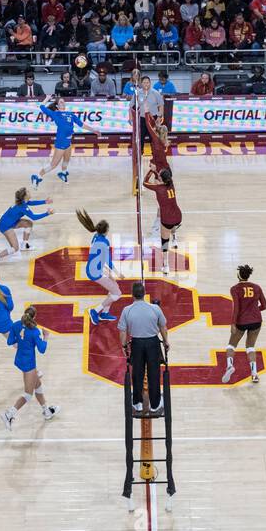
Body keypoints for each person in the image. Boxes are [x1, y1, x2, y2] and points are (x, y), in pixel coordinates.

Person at [0, 306, 59, 428]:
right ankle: (8, 414)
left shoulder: (16, 325)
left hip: (20, 360)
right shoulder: (35, 331)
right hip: (29, 364)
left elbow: (10, 341)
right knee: (28, 394)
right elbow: (42, 349)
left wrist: (21, 339)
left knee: (38, 386)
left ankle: (46, 411)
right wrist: (46, 336)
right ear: (34, 317)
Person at [117, 280, 170, 414]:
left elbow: (122, 331)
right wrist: (166, 341)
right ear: (145, 294)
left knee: (137, 374)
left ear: (132, 295)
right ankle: (155, 405)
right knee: (154, 374)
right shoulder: (155, 308)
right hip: (152, 343)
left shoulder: (126, 310)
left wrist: (123, 346)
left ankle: (138, 403)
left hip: (137, 344)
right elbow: (163, 327)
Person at [32, 95, 98, 186]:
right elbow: (42, 107)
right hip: (61, 142)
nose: (62, 103)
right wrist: (47, 98)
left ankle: (63, 173)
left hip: (68, 142)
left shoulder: (71, 114)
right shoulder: (55, 114)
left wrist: (93, 130)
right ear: (57, 106)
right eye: (60, 102)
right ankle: (37, 176)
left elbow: (81, 124)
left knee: (66, 160)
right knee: (53, 165)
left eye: (63, 101)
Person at [77, 209, 122, 325]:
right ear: (106, 231)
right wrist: (117, 273)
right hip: (95, 271)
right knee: (117, 294)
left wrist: (107, 272)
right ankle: (95, 311)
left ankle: (105, 313)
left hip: (95, 268)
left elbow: (100, 258)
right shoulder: (104, 242)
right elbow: (108, 260)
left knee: (114, 288)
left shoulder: (96, 236)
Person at [223, 264, 266, 384]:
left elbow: (236, 308)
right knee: (250, 347)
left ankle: (229, 366)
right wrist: (254, 311)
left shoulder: (235, 289)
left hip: (241, 321)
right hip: (256, 321)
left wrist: (233, 323)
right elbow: (264, 306)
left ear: (238, 275)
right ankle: (254, 374)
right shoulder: (257, 287)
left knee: (231, 346)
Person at [0, 187, 53, 263]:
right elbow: (34, 217)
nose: (29, 192)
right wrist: (47, 213)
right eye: (27, 192)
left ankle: (24, 244)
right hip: (6, 226)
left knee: (28, 224)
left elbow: (31, 203)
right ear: (25, 196)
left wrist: (45, 202)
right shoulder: (23, 207)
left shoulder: (22, 202)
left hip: (10, 222)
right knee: (15, 248)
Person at [142, 168, 182, 273]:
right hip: (178, 216)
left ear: (161, 178)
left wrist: (151, 171)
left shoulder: (159, 188)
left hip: (167, 219)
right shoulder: (171, 184)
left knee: (164, 242)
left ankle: (166, 265)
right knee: (173, 226)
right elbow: (163, 177)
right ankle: (175, 239)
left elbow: (144, 183)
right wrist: (157, 174)